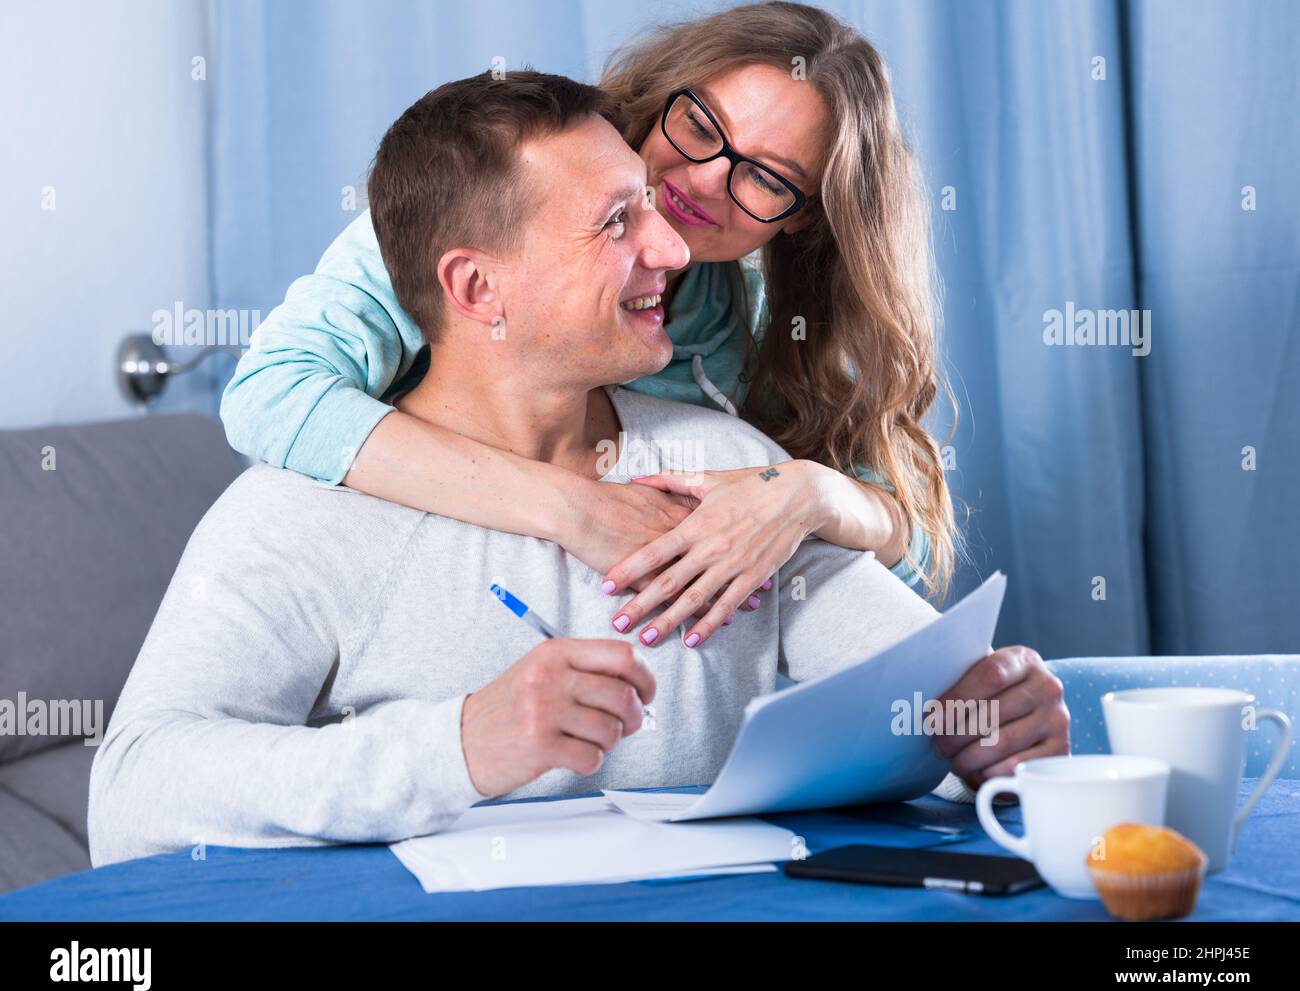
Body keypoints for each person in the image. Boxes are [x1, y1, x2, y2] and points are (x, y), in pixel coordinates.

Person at [89, 72, 1068, 866]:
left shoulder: (726, 474)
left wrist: (985, 720)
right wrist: (457, 746)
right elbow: (134, 793)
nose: (674, 246)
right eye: (616, 225)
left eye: (651, 210)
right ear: (478, 288)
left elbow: (923, 704)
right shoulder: (297, 513)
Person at [219, 1, 956, 652]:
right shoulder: (475, 223)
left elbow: (907, 547)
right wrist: (572, 506)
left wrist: (812, 494)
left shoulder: (752, 332)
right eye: (701, 124)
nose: (700, 181)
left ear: (802, 218)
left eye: (767, 176)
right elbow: (270, 393)